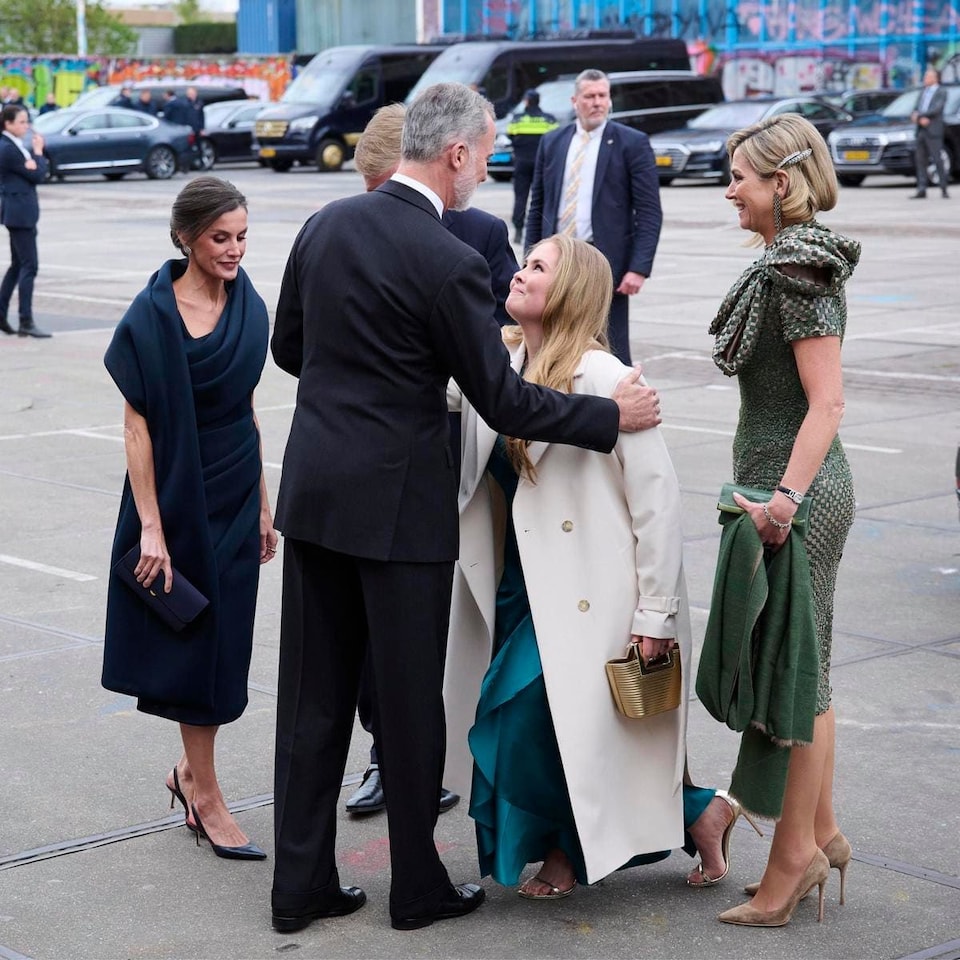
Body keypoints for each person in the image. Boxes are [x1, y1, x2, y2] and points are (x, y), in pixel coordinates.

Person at [269, 81, 661, 935]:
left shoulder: (326, 224)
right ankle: (417, 889)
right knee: (410, 708)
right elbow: (504, 400)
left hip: (316, 494)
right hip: (401, 507)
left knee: (312, 700)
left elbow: (288, 347)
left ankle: (296, 888)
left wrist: (354, 390)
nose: (486, 170)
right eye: (486, 155)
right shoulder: (446, 258)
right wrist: (609, 417)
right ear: (455, 155)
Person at [443, 233, 757, 900]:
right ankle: (699, 810)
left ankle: (567, 850)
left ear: (571, 293)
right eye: (524, 262)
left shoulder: (610, 381)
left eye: (537, 267)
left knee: (528, 715)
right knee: (552, 721)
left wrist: (654, 614)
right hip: (515, 583)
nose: (521, 273)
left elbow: (656, 505)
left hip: (592, 589)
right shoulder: (497, 367)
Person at [706, 113, 860, 927]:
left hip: (797, 495)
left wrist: (787, 500)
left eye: (740, 177)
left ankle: (791, 861)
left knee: (807, 679)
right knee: (809, 668)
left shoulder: (800, 265)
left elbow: (826, 402)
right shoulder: (781, 257)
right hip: (778, 487)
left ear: (782, 183)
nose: (730, 190)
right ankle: (822, 831)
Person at [344, 101, 518, 817]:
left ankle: (439, 759)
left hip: (458, 451)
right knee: (369, 630)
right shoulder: (350, 229)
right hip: (377, 461)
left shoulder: (478, 232)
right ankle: (388, 755)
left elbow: (514, 326)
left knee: (441, 623)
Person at [102, 176, 276, 863]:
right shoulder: (150, 317)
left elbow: (249, 409)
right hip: (173, 499)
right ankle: (204, 794)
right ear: (185, 237)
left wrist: (263, 503)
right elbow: (136, 429)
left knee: (225, 644)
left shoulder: (248, 304)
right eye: (219, 238)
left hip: (235, 491)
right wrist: (151, 527)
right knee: (195, 641)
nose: (233, 250)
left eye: (241, 238)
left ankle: (189, 777)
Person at [526, 69, 662, 366]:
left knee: (608, 347)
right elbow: (537, 203)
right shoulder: (552, 142)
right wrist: (530, 259)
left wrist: (639, 267)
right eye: (590, 96)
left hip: (605, 264)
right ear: (575, 100)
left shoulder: (632, 143)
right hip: (557, 259)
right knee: (551, 339)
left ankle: (617, 407)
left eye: (603, 96)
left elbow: (650, 210)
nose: (597, 102)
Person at [0, 104, 50, 338]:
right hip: (19, 213)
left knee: (18, 265)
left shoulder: (13, 145)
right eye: (21, 121)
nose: (26, 125)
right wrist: (38, 153)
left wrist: (32, 163)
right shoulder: (8, 149)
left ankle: (1, 314)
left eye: (26, 121)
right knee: (30, 266)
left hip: (19, 211)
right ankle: (25, 320)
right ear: (8, 124)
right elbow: (37, 175)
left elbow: (32, 173)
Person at [506, 89, 557, 244]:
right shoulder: (549, 120)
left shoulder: (517, 120)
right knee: (541, 198)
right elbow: (555, 140)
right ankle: (541, 231)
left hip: (521, 163)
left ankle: (519, 231)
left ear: (527, 101)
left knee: (521, 197)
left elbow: (510, 135)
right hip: (541, 165)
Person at [910, 65, 949, 199]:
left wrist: (920, 116)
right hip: (921, 130)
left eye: (927, 76)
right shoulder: (923, 91)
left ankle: (943, 188)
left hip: (933, 130)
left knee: (938, 160)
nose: (925, 78)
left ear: (935, 78)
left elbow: (937, 109)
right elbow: (916, 107)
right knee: (920, 160)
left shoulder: (942, 91)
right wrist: (916, 115)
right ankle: (921, 189)